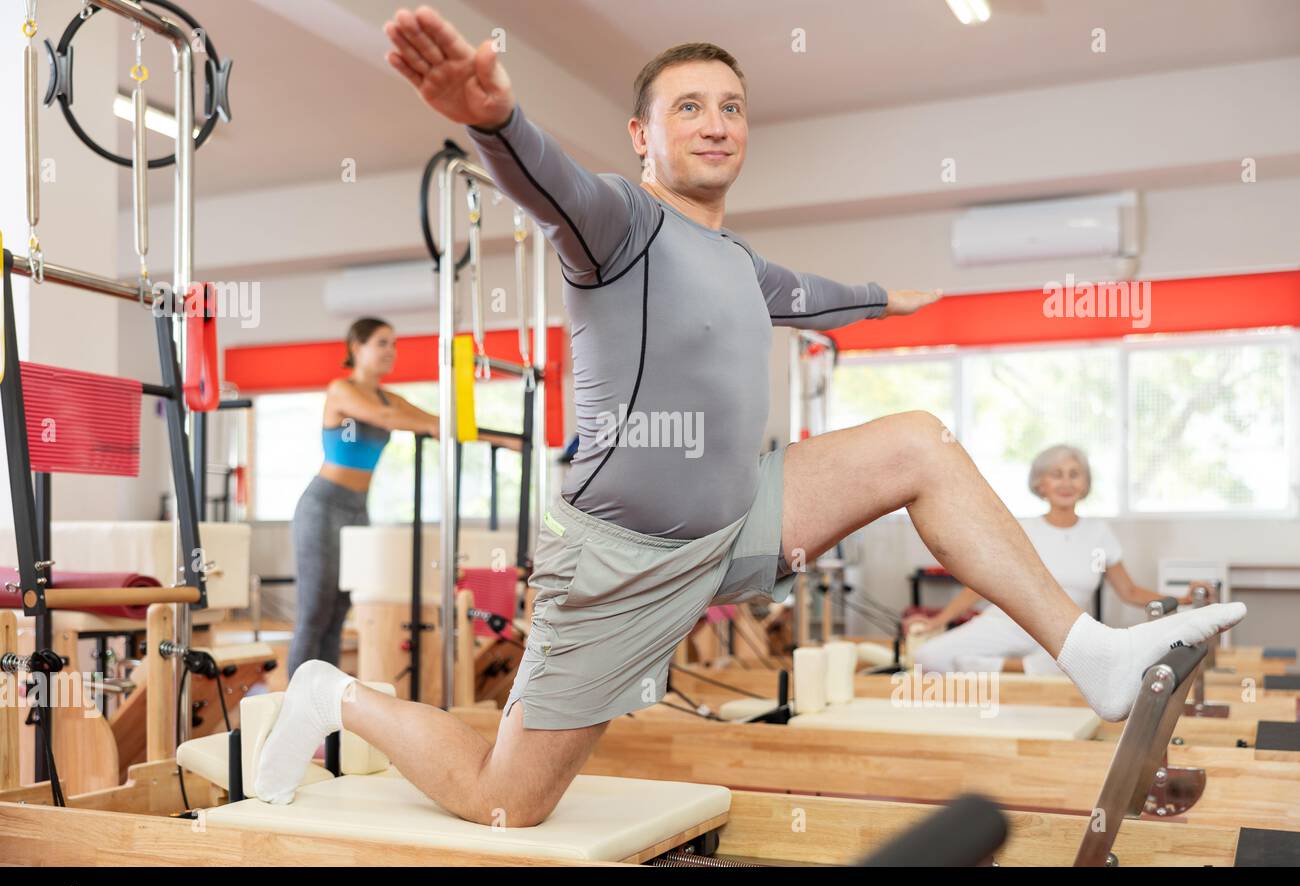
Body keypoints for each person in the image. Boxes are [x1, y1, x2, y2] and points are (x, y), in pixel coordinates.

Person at [254, 8, 1246, 828]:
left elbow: (807, 293)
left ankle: (1090, 652)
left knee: (917, 444)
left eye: (730, 106)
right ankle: (326, 694)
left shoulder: (735, 261)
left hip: (736, 522)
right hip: (618, 558)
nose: (717, 122)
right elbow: (550, 185)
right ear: (642, 134)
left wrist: (884, 300)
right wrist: (496, 121)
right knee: (507, 800)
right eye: (688, 107)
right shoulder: (620, 224)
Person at [908, 445, 1216, 675]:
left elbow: (1130, 592)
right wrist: (939, 620)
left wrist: (1182, 599)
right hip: (1010, 622)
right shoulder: (1022, 529)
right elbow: (980, 586)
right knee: (927, 657)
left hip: (1062, 633)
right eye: (1056, 475)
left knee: (1093, 668)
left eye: (1074, 474)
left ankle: (991, 668)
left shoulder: (1099, 534)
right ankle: (1013, 668)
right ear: (1040, 485)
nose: (1066, 482)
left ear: (1084, 484)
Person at [287, 317, 443, 676]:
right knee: (314, 611)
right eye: (382, 343)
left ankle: (324, 704)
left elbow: (435, 420)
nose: (391, 351)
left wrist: (508, 439)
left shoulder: (391, 397)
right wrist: (427, 424)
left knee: (341, 609)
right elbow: (385, 417)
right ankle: (295, 705)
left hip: (358, 507)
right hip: (323, 504)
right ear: (357, 348)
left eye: (394, 344)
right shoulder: (341, 389)